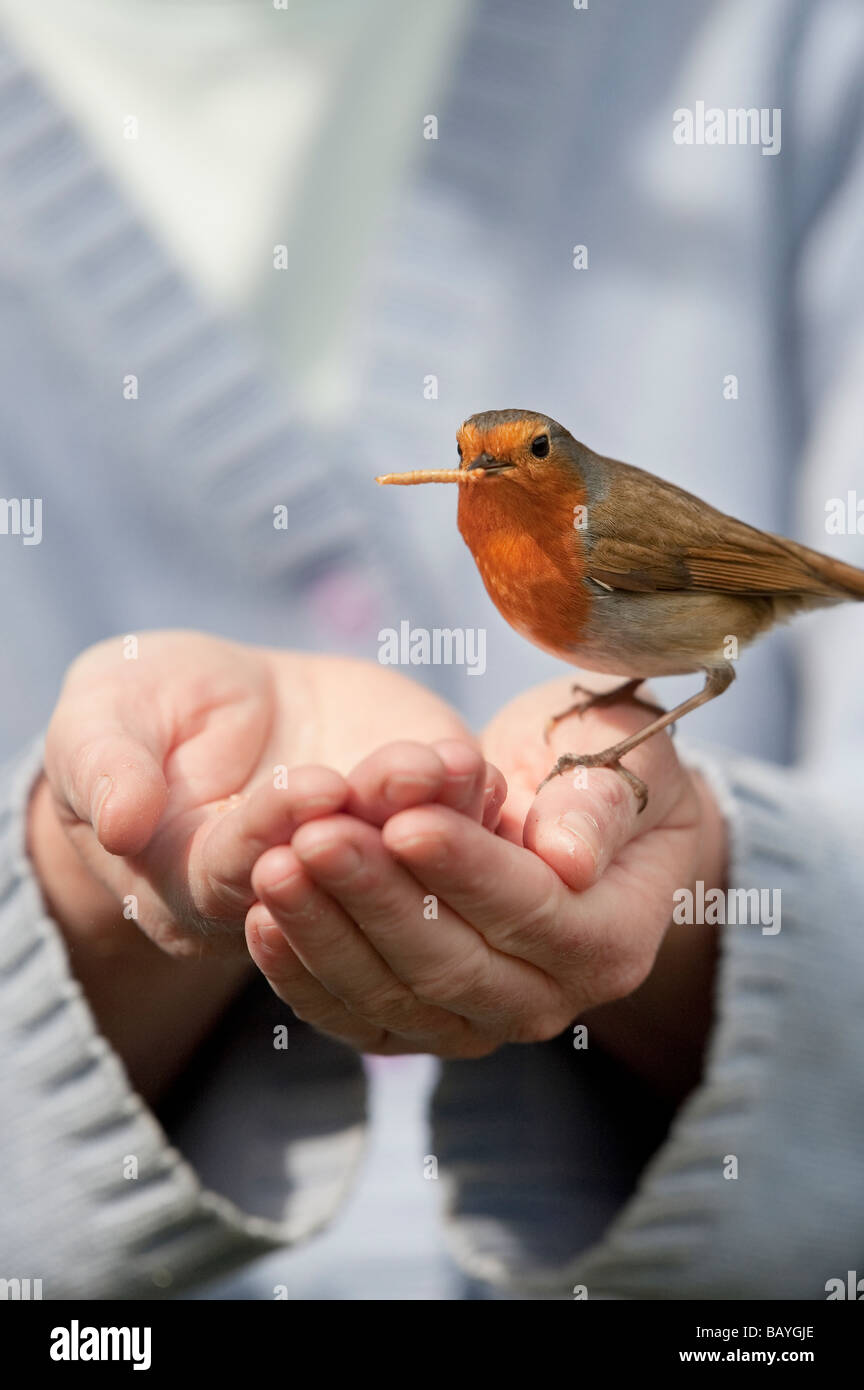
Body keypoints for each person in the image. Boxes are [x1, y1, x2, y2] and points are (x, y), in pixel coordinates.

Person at [1, 0, 863, 1300]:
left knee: (706, 666)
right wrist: (90, 914)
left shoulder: (605, 528)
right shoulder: (505, 541)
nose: (492, 474)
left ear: (560, 470)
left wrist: (686, 870)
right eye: (473, 463)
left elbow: (739, 598)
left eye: (523, 458)